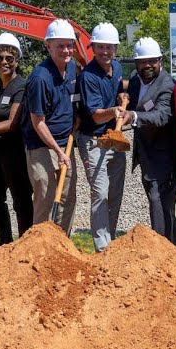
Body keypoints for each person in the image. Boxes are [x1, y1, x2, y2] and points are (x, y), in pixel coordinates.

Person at [25, 19, 80, 233]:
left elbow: (71, 97)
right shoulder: (40, 78)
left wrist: (76, 117)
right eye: (60, 45)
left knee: (68, 195)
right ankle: (40, 244)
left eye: (70, 45)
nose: (66, 50)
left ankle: (63, 242)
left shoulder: (72, 67)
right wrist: (58, 152)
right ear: (48, 45)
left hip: (65, 141)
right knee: (45, 194)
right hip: (41, 145)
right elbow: (38, 122)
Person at [122, 37, 176, 244]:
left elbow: (161, 115)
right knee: (159, 202)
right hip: (146, 153)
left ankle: (163, 247)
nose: (147, 65)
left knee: (159, 201)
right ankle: (169, 246)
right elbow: (133, 99)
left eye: (151, 61)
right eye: (142, 61)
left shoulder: (168, 85)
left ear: (160, 60)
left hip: (165, 156)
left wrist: (134, 116)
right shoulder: (136, 80)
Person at [75, 22, 127, 252]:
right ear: (93, 48)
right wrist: (113, 112)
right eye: (101, 47)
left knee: (115, 193)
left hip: (114, 138)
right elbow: (96, 117)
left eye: (110, 47)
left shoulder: (116, 68)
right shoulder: (88, 77)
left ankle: (111, 240)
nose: (106, 52)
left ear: (115, 48)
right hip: (94, 141)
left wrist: (121, 97)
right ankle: (102, 247)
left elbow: (117, 92)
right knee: (100, 193)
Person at [0, 33, 34, 244]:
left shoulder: (21, 86)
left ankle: (25, 243)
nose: (4, 62)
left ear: (17, 61)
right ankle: (5, 241)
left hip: (16, 151)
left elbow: (12, 123)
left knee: (21, 200)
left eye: (9, 58)